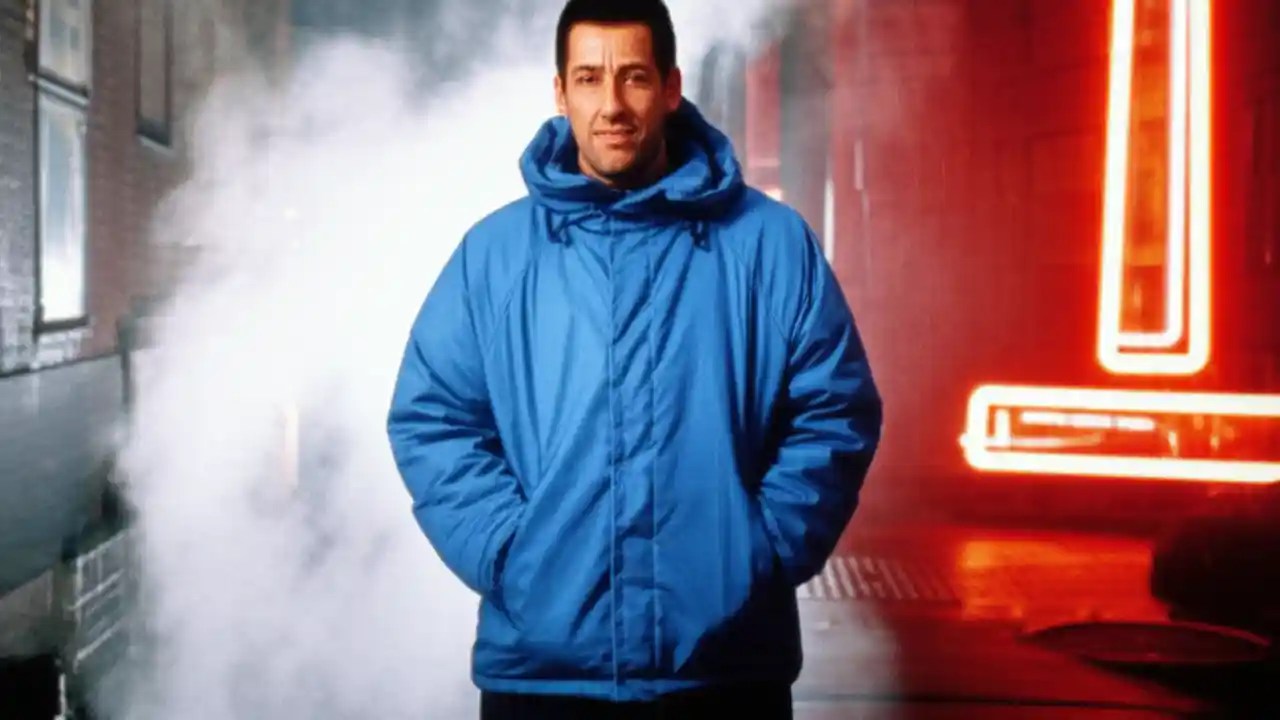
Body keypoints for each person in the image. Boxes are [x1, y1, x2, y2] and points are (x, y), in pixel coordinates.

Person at [386, 0, 882, 717]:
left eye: (634, 77)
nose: (611, 103)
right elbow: (432, 420)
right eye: (588, 78)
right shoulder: (494, 257)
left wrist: (762, 550)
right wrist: (508, 552)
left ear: (672, 87)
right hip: (543, 678)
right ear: (559, 92)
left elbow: (837, 411)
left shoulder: (771, 246)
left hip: (724, 676)